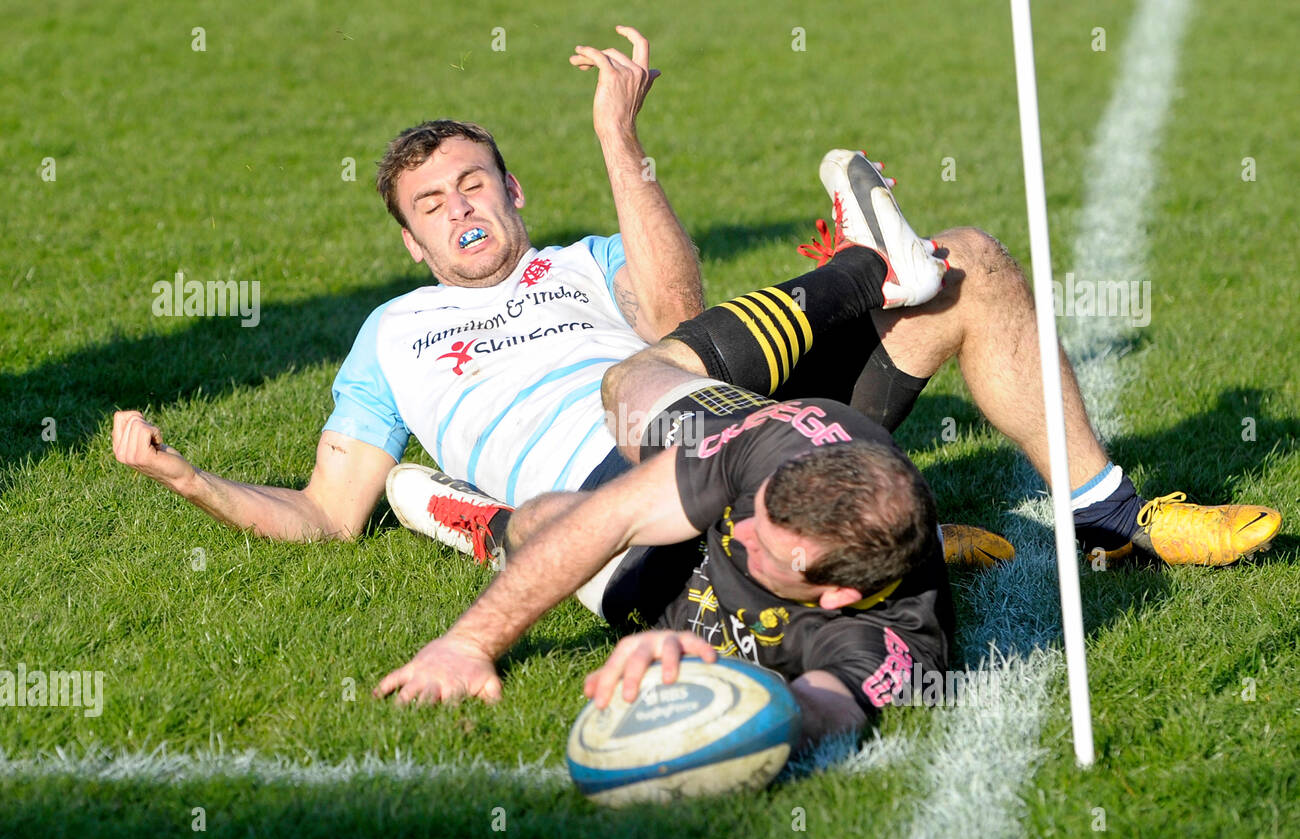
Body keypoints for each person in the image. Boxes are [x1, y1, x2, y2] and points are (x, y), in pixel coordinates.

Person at [110, 27, 1279, 572]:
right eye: (432, 204)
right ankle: (883, 449)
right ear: (412, 242)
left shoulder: (576, 261)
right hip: (628, 503)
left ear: (513, 189)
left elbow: (673, 300)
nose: (460, 208)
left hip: (717, 413)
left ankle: (1109, 511)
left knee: (966, 260)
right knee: (660, 418)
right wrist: (183, 475)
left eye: (475, 182)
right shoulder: (389, 336)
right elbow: (324, 513)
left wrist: (620, 139)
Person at [378, 349, 954, 747]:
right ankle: (500, 528)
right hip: (710, 467)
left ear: (837, 595)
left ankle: (498, 527)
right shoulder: (791, 446)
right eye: (756, 512)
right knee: (561, 497)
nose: (740, 530)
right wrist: (467, 644)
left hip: (677, 603)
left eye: (767, 550)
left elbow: (822, 711)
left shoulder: (890, 641)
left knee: (541, 525)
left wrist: (720, 690)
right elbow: (613, 517)